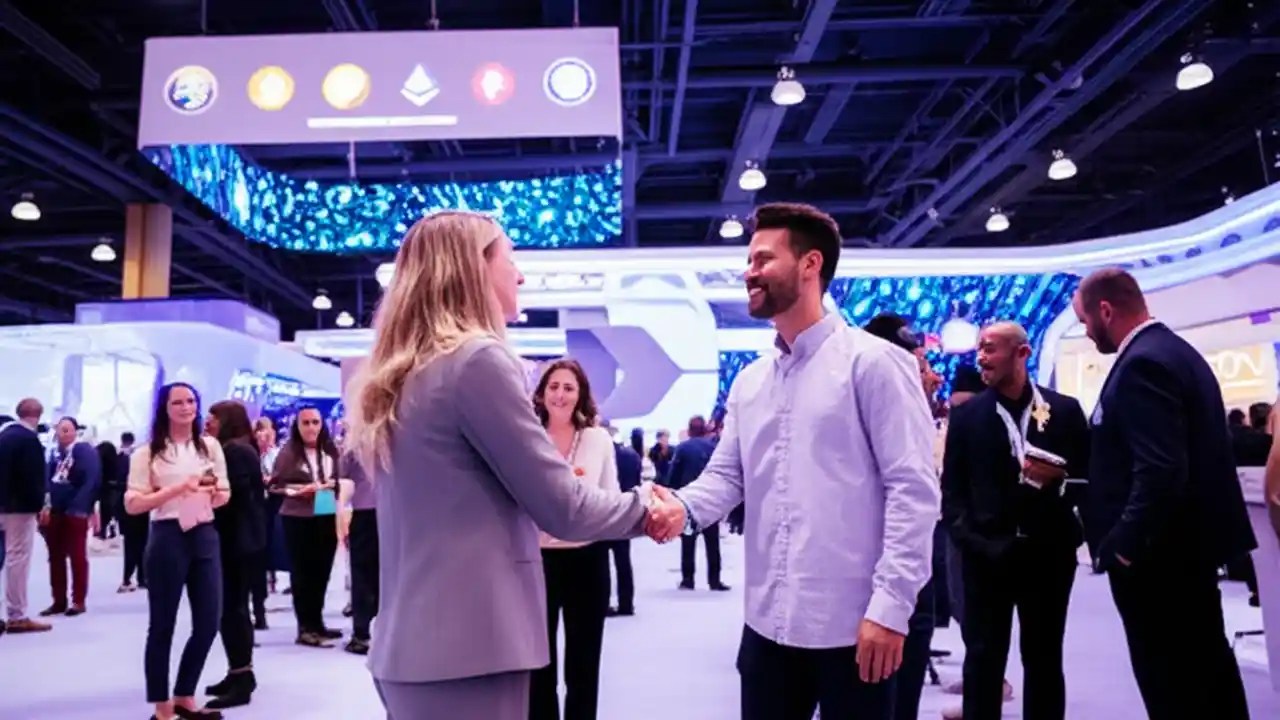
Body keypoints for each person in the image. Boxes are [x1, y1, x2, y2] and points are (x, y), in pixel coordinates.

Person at [344, 210, 662, 720]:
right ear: (472, 269)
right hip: (472, 644)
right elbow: (562, 507)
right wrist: (650, 508)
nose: (519, 275)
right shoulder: (477, 362)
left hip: (413, 642)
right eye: (510, 260)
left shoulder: (403, 375)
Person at [645, 202, 939, 720]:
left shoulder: (874, 364)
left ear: (810, 265)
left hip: (857, 627)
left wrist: (892, 608)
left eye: (762, 259)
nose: (748, 271)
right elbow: (728, 476)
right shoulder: (751, 380)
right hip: (767, 625)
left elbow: (912, 491)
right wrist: (682, 509)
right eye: (750, 261)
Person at [1073, 268, 1255, 720]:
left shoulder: (1143, 364)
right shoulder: (1175, 352)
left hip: (1161, 561)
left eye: (1084, 321)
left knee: (1175, 684)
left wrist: (1124, 547)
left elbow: (1160, 469)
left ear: (1106, 310)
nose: (1085, 332)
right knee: (1207, 673)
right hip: (1185, 554)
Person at [941, 322, 1090, 720]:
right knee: (983, 659)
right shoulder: (969, 416)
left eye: (991, 349)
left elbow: (1088, 479)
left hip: (1049, 555)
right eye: (980, 349)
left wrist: (1057, 488)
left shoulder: (1065, 411)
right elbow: (953, 493)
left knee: (1043, 657)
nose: (982, 358)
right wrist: (971, 541)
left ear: (1022, 354)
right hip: (986, 556)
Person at [124, 382, 231, 720]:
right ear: (165, 408)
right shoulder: (148, 452)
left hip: (204, 532)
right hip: (167, 536)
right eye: (178, 402)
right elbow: (133, 504)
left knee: (209, 622)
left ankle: (185, 693)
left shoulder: (210, 446)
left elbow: (225, 490)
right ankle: (161, 706)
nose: (186, 407)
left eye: (191, 401)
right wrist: (174, 491)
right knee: (162, 626)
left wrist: (214, 494)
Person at [529, 358, 620, 720]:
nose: (560, 395)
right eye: (553, 386)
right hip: (536, 564)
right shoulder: (527, 438)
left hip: (588, 560)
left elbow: (610, 497)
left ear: (580, 394)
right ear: (541, 393)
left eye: (569, 387)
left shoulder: (597, 440)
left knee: (584, 665)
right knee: (540, 666)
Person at [860, 313, 941, 720]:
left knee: (902, 701)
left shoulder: (926, 413)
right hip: (874, 579)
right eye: (918, 364)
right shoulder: (860, 411)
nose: (928, 375)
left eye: (924, 364)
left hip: (916, 578)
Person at [203, 400, 267, 709]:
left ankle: (242, 677)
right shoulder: (234, 449)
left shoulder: (236, 452)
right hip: (236, 540)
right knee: (230, 608)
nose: (207, 422)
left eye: (212, 417)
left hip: (237, 543)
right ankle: (237, 670)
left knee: (233, 608)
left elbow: (232, 499)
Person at [269, 408, 342, 648]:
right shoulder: (288, 453)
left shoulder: (331, 451)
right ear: (297, 426)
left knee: (322, 570)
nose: (311, 427)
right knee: (303, 572)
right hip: (297, 514)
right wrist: (297, 491)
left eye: (315, 422)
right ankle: (305, 627)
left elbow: (343, 480)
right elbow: (275, 486)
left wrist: (334, 485)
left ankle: (317, 622)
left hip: (325, 508)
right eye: (306, 423)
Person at [0, 398, 53, 634]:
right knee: (18, 560)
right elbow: (33, 479)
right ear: (39, 414)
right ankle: (17, 615)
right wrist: (39, 505)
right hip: (19, 508)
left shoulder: (5, 436)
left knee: (6, 558)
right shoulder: (28, 440)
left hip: (3, 505)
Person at [40, 416, 100, 616]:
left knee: (77, 556)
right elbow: (47, 481)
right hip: (55, 509)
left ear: (75, 431)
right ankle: (58, 600)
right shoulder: (53, 453)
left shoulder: (84, 451)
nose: (63, 433)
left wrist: (82, 506)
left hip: (76, 510)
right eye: (60, 429)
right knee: (55, 557)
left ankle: (78, 600)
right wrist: (46, 505)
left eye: (67, 429)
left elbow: (91, 480)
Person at [663, 415, 730, 592]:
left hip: (689, 499)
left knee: (688, 540)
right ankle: (715, 580)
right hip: (710, 499)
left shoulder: (683, 448)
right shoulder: (713, 447)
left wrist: (671, 493)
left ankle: (688, 579)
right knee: (712, 542)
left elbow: (673, 475)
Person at [336, 447, 377, 655]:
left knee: (363, 574)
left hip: (366, 512)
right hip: (389, 511)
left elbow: (343, 482)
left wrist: (339, 514)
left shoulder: (355, 443)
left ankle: (362, 634)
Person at [605, 424, 641, 617]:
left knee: (601, 562)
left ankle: (603, 603)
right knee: (623, 561)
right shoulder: (631, 455)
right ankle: (626, 603)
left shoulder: (598, 456)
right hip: (624, 513)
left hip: (601, 514)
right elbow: (637, 485)